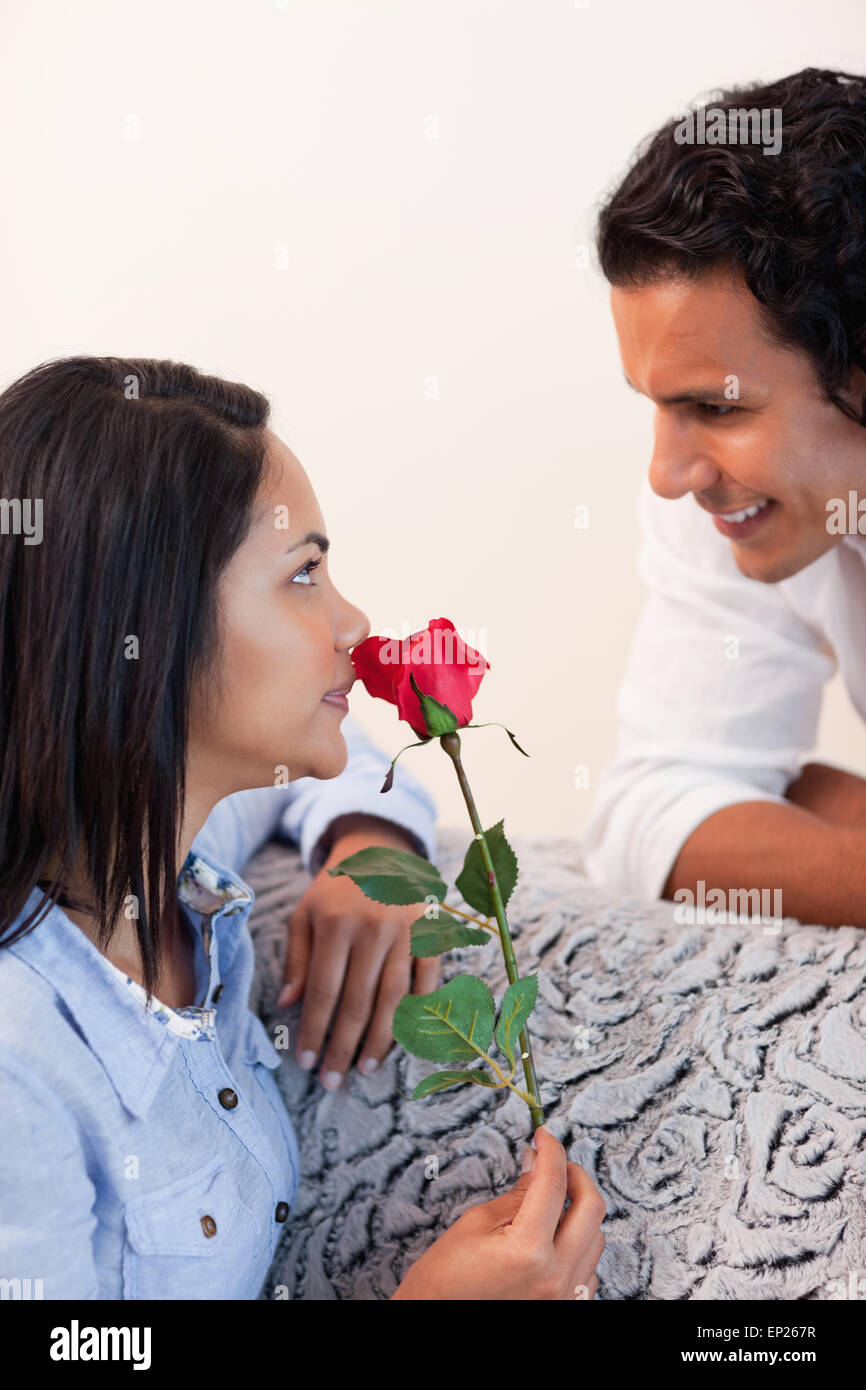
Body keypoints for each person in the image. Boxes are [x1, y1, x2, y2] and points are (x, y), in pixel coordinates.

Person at [0, 355, 605, 1299]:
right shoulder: (19, 1061)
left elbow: (344, 763)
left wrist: (369, 843)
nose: (354, 623)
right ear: (148, 625)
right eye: (305, 574)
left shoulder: (158, 849)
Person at [583, 67, 866, 927]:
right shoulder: (739, 501)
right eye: (659, 406)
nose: (668, 476)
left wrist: (819, 806)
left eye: (716, 408)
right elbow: (648, 816)